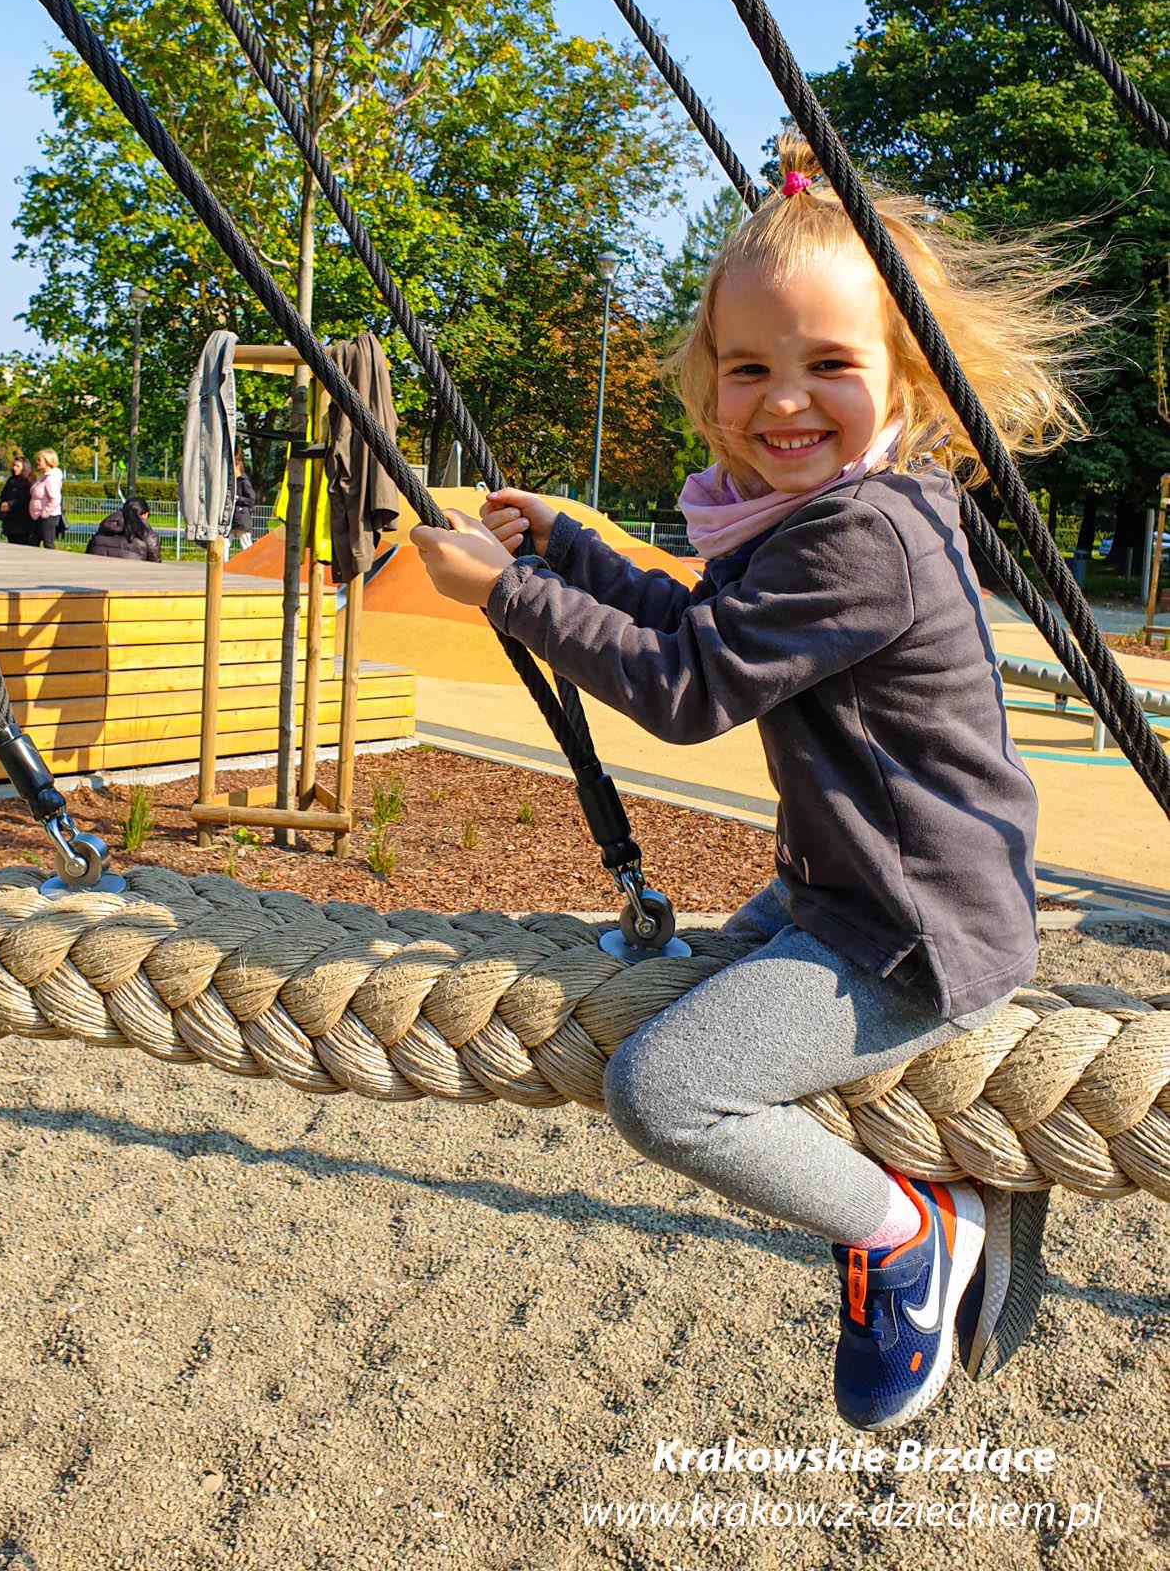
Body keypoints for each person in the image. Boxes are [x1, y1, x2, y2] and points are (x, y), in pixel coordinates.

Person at [411, 133, 1089, 1432]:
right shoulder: (812, 520)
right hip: (854, 892)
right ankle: (963, 1172)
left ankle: (904, 1231)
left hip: (910, 931)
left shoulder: (864, 536)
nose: (786, 399)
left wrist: (511, 591)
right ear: (712, 389)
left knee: (666, 1091)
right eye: (752, 367)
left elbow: (687, 689)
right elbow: (696, 623)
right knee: (705, 995)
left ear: (905, 381)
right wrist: (574, 550)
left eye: (830, 365)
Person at [85, 495, 163, 563]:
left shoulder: (103, 528)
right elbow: (155, 563)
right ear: (145, 515)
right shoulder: (147, 534)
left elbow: (89, 553)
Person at [29, 448, 65, 548]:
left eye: (39, 460)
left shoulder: (51, 478)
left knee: (48, 543)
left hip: (47, 517)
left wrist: (44, 513)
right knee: (32, 542)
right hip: (37, 516)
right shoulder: (42, 476)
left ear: (48, 461)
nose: (37, 462)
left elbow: (55, 499)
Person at [0, 455, 34, 547]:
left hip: (23, 521)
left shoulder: (28, 481)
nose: (14, 468)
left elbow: (25, 499)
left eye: (17, 466)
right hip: (10, 521)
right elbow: (4, 495)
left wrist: (10, 504)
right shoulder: (11, 480)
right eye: (14, 465)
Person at [230, 450, 256, 552]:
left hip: (242, 518)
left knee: (246, 545)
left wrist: (237, 499)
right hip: (232, 518)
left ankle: (250, 566)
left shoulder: (244, 481)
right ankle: (224, 565)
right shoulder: (233, 481)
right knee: (225, 543)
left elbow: (251, 499)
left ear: (237, 467)